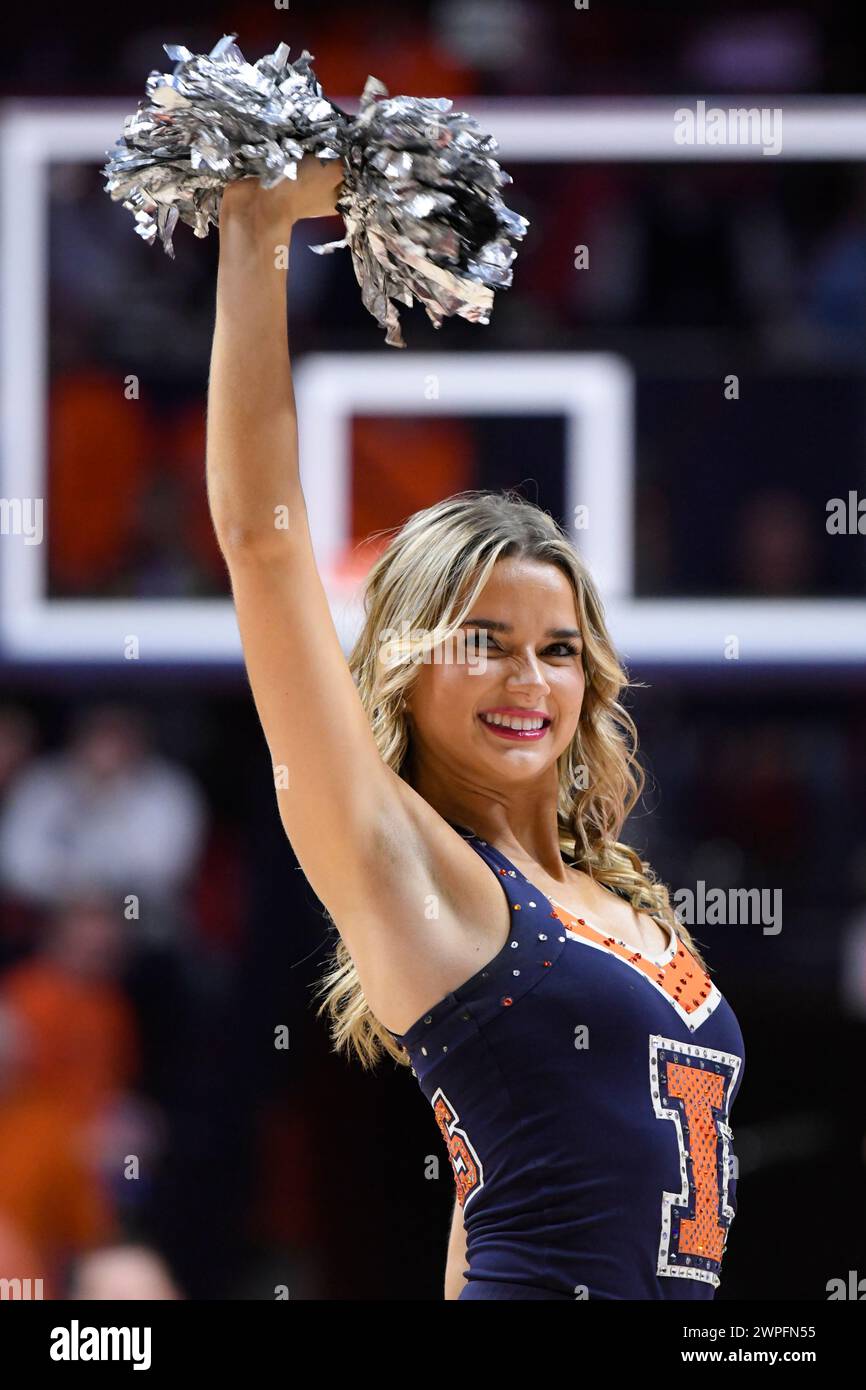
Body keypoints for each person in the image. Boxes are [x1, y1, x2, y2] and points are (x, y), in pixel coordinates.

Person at [205, 156, 745, 1301]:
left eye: (556, 648)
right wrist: (254, 231)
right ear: (404, 666)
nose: (529, 679)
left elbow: (489, 1185)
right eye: (482, 641)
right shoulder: (417, 872)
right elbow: (262, 543)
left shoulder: (616, 891)